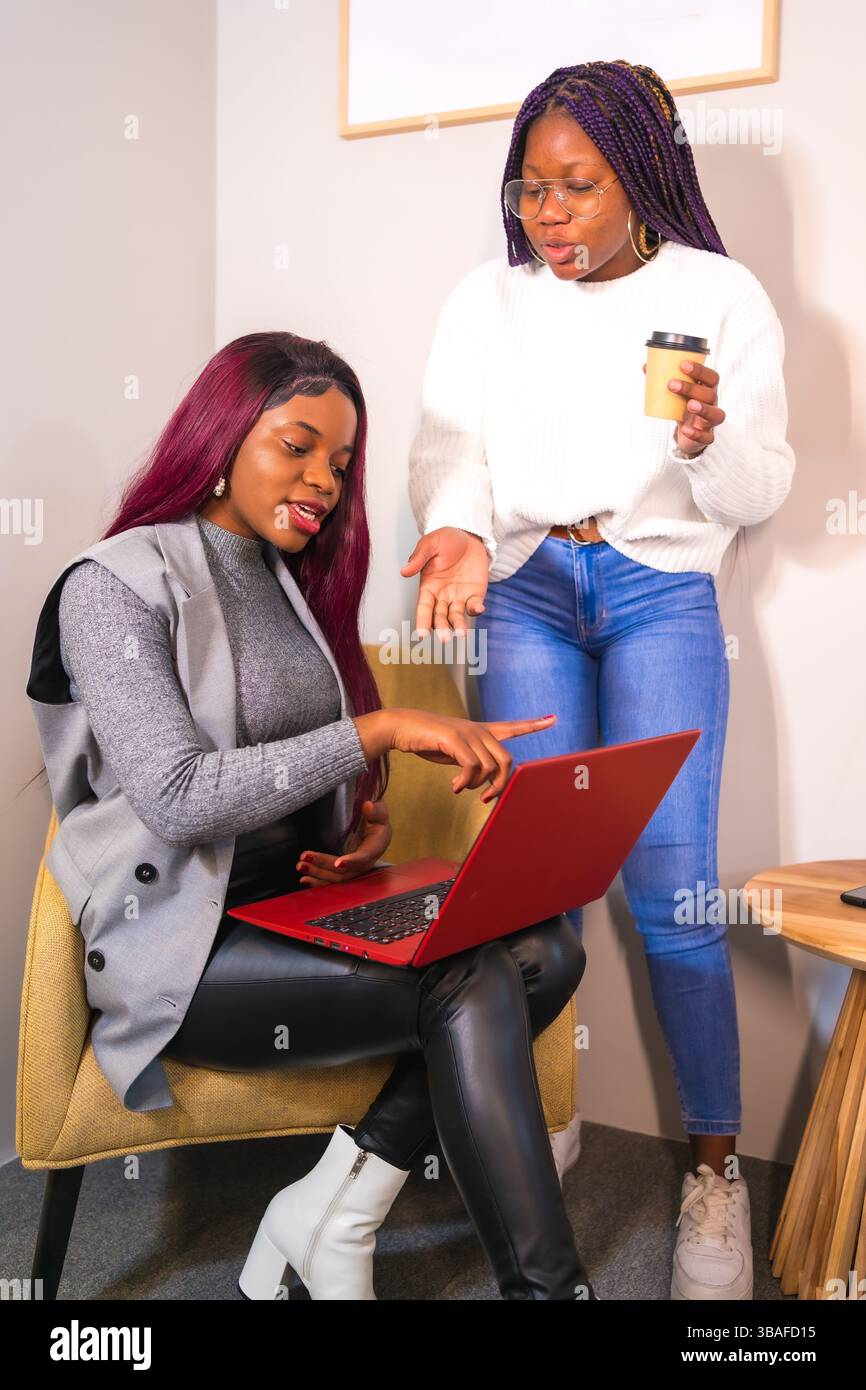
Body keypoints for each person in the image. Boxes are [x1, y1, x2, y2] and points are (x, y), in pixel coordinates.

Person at [34, 331, 595, 1301]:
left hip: (284, 912)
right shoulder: (111, 585)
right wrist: (374, 732)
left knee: (545, 947)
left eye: (338, 461)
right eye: (295, 445)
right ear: (220, 434)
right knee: (463, 974)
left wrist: (351, 826)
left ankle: (331, 1212)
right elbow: (175, 796)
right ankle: (551, 1292)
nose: (323, 480)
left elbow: (292, 763)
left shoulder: (284, 580)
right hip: (180, 944)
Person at [402, 60, 795, 1302]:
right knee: (535, 895)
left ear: (643, 178)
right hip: (522, 591)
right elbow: (447, 450)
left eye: (578, 185)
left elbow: (756, 491)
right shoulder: (487, 299)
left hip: (655, 592)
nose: (548, 212)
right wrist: (458, 526)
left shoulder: (716, 294)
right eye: (531, 187)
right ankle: (540, 1128)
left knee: (674, 896)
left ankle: (714, 1175)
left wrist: (707, 438)